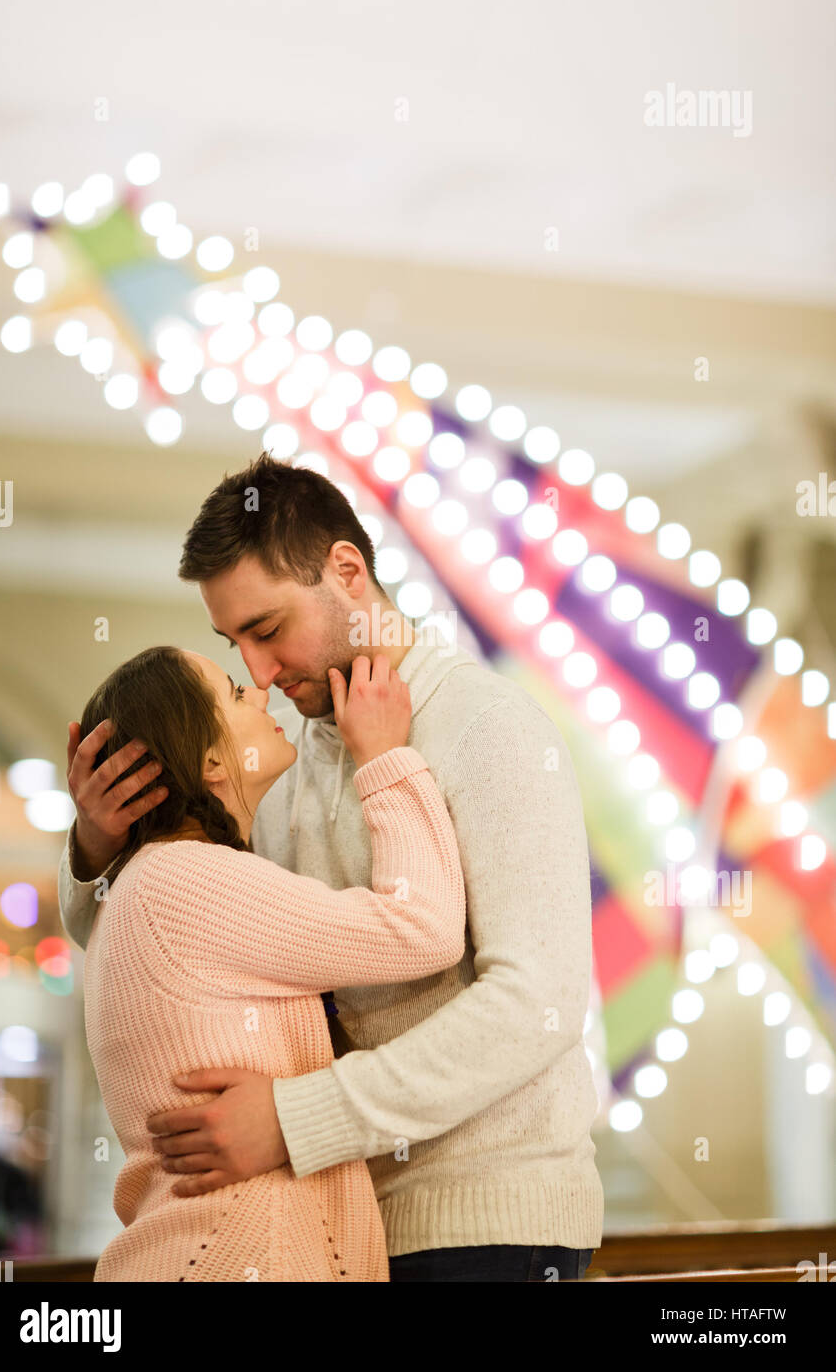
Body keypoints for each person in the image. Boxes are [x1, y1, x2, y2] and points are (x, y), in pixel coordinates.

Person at [60, 452, 603, 1284]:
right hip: (339, 1231)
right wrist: (96, 848)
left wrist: (296, 1119)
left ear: (346, 571)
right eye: (234, 644)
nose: (260, 675)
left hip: (484, 1222)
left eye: (268, 631)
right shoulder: (276, 778)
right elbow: (158, 941)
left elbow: (540, 1001)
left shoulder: (488, 725)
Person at [77, 645, 465, 1281]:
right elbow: (423, 928)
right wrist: (386, 757)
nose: (261, 692)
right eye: (233, 692)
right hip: (239, 1258)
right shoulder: (185, 880)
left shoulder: (147, 885)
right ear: (208, 762)